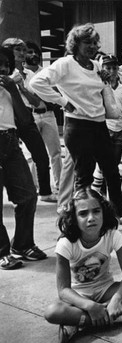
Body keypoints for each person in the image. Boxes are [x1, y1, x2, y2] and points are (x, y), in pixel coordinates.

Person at [30, 23, 122, 224]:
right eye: (87, 42)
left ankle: (118, 212)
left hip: (99, 124)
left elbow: (99, 92)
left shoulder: (96, 66)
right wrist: (63, 102)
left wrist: (104, 80)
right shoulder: (65, 63)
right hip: (78, 126)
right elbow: (36, 83)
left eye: (95, 43)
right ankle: (79, 218)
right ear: (75, 44)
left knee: (111, 170)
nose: (92, 46)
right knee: (83, 174)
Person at [43, 188, 122, 343]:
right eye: (83, 214)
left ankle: (80, 323)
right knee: (52, 312)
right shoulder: (65, 244)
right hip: (79, 294)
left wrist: (116, 300)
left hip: (106, 289)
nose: (91, 218)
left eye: (96, 211)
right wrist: (89, 306)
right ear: (74, 217)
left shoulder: (112, 235)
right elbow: (63, 290)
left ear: (104, 212)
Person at [0, 46, 47, 269]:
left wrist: (14, 90)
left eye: (6, 66)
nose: (3, 69)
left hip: (11, 142)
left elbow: (24, 118)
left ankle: (23, 244)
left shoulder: (10, 88)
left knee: (28, 195)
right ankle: (2, 251)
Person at [2, 38, 57, 203]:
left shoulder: (30, 74)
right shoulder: (5, 70)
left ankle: (45, 191)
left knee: (41, 154)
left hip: (25, 115)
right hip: (6, 119)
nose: (23, 53)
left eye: (24, 50)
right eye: (18, 49)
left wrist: (21, 88)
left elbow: (35, 101)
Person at [24, 41, 63, 196]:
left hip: (48, 114)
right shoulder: (21, 74)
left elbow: (54, 95)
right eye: (30, 52)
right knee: (31, 154)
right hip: (31, 115)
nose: (34, 55)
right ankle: (34, 187)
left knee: (55, 151)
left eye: (36, 52)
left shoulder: (46, 72)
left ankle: (59, 185)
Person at [91, 54, 122, 204]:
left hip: (120, 130)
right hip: (104, 128)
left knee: (115, 162)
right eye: (108, 67)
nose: (111, 71)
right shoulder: (99, 86)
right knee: (102, 164)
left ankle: (112, 194)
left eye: (114, 67)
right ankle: (100, 192)